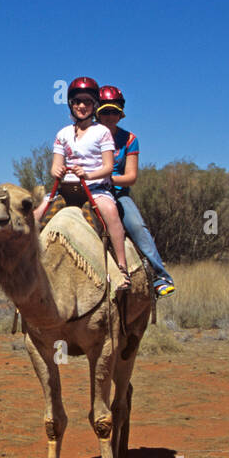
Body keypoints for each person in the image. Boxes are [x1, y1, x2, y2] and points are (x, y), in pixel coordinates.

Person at [32, 77, 130, 291]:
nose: (82, 106)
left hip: (95, 189)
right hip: (66, 189)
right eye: (77, 101)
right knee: (34, 217)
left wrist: (88, 174)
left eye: (87, 101)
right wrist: (56, 170)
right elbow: (55, 166)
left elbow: (107, 166)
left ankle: (122, 268)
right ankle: (24, 267)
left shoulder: (102, 132)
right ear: (71, 104)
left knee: (111, 213)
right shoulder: (63, 134)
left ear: (94, 104)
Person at [96, 85, 176, 297]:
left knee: (136, 225)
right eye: (104, 111)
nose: (109, 116)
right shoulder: (85, 135)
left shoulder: (129, 140)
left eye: (114, 111)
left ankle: (160, 276)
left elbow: (131, 177)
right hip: (86, 191)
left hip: (116, 194)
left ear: (120, 114)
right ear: (97, 112)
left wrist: (105, 178)